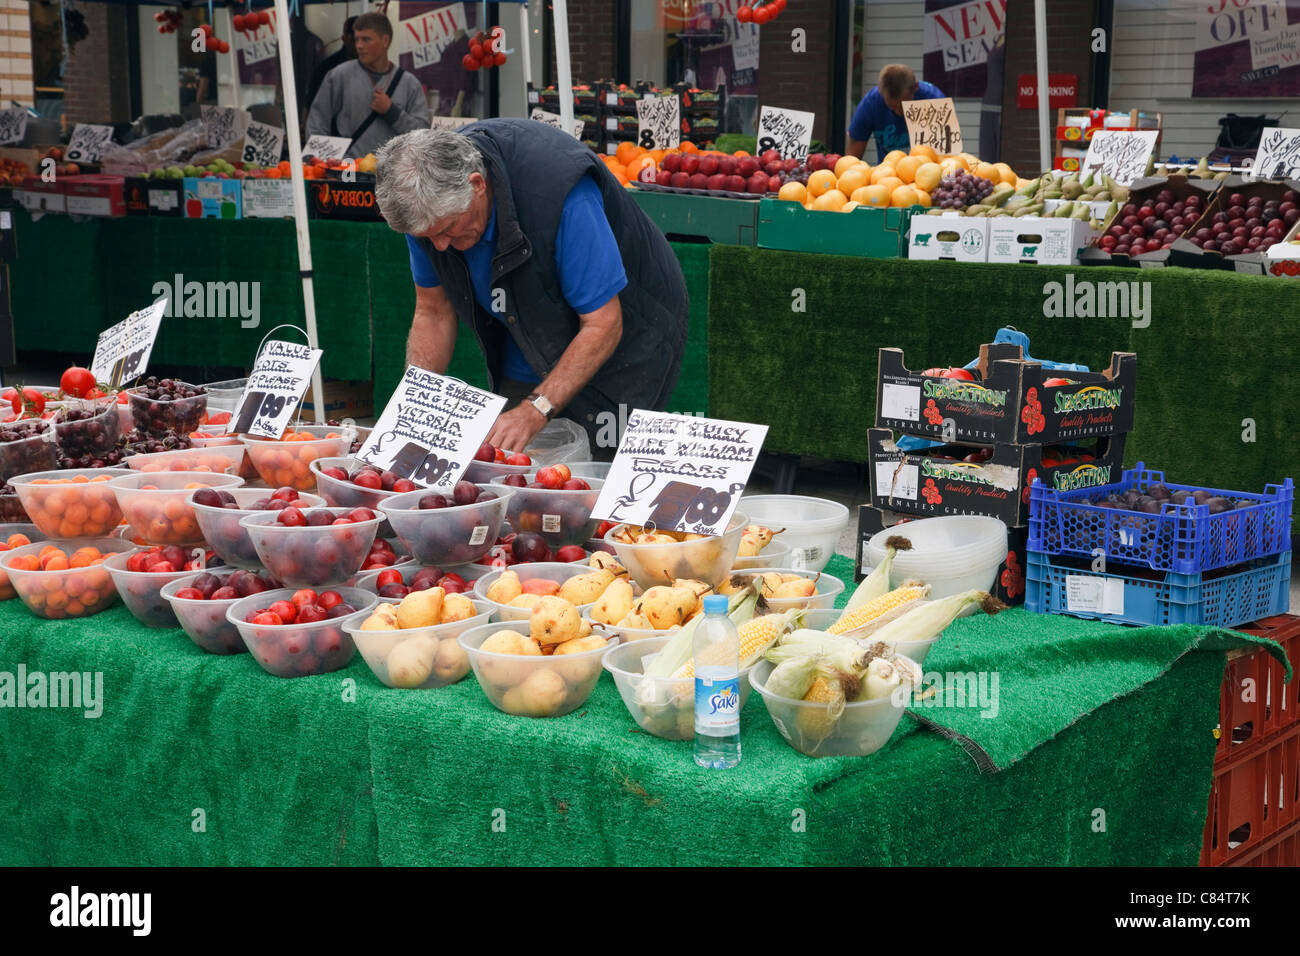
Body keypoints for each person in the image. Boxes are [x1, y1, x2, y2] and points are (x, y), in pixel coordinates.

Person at [374, 121, 689, 456]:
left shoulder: (559, 193)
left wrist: (535, 410)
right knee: (510, 466)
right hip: (526, 328)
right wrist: (413, 410)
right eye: (427, 237)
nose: (439, 246)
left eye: (449, 229)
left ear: (477, 185)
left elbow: (603, 324)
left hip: (628, 334)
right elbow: (433, 312)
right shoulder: (428, 210)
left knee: (596, 474)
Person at [305, 12, 430, 159]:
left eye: (366, 39)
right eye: (357, 39)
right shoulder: (338, 76)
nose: (359, 46)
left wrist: (392, 112)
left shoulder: (409, 84)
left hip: (392, 174)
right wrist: (326, 164)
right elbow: (317, 125)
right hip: (348, 171)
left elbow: (423, 136)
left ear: (385, 40)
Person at [847, 64, 945, 163]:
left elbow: (946, 159)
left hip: (926, 172)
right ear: (881, 95)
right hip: (887, 174)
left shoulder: (934, 101)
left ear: (916, 88)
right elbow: (852, 158)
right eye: (892, 107)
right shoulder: (871, 102)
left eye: (904, 106)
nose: (899, 113)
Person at [305, 16, 358, 112]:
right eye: (354, 40)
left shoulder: (372, 67)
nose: (359, 45)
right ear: (344, 38)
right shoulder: (326, 68)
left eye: (365, 40)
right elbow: (312, 103)